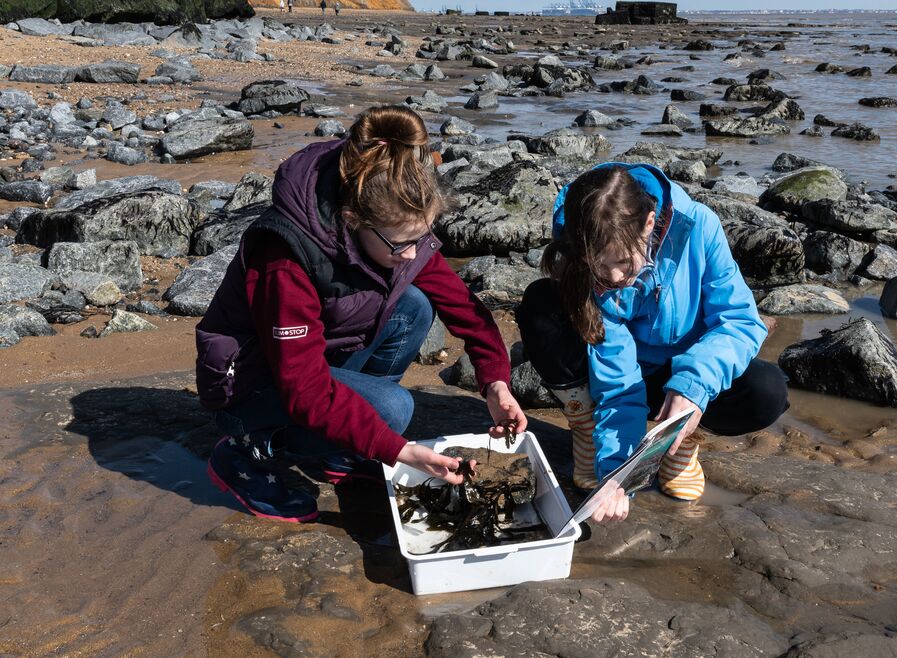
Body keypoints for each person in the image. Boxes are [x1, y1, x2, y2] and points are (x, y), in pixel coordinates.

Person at [196, 105, 526, 522]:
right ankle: (248, 451)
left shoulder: (393, 211)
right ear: (353, 221)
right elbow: (305, 389)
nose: (412, 254)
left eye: (421, 237)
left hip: (312, 359)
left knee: (414, 307)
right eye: (400, 245)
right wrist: (395, 448)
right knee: (391, 409)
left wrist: (496, 383)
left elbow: (462, 306)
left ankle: (342, 445)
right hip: (250, 381)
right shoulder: (286, 256)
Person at [516, 164, 789, 524]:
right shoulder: (583, 244)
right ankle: (586, 429)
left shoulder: (699, 227)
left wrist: (693, 387)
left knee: (766, 390)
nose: (614, 279)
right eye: (599, 268)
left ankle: (680, 439)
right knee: (540, 304)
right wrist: (617, 474)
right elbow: (616, 382)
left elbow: (740, 321)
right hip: (615, 378)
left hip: (682, 374)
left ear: (649, 223)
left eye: (624, 263)